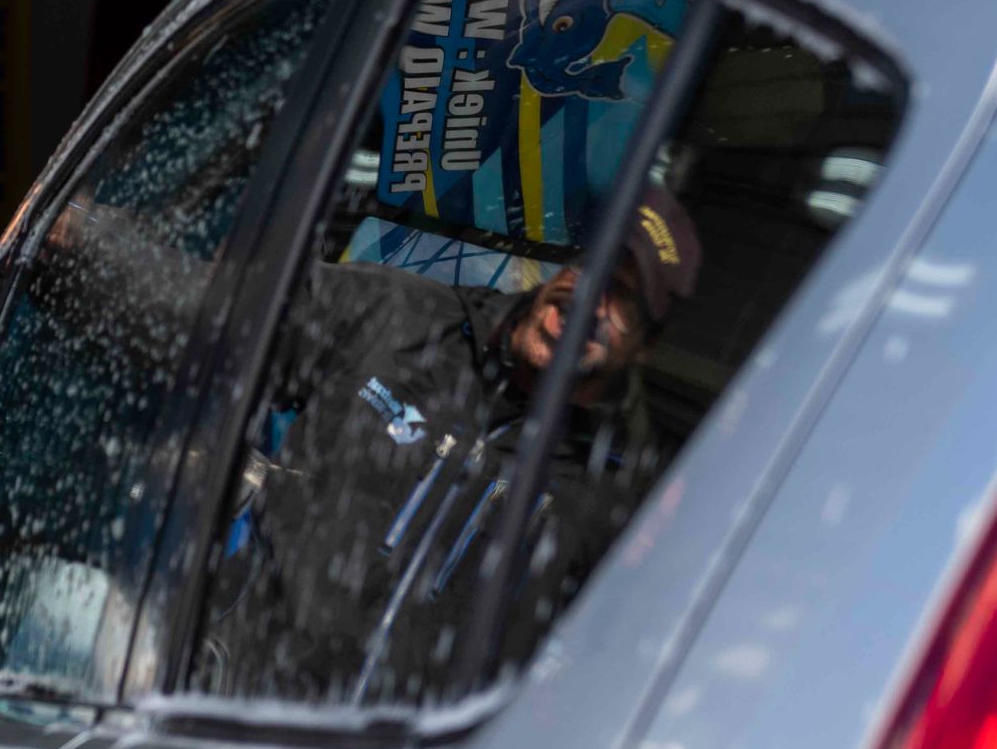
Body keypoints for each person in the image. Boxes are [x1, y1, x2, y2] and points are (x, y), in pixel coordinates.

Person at [199, 185, 701, 702]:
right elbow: (202, 306)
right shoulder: (399, 323)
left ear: (647, 346)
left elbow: (606, 680)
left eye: (620, 298)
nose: (587, 302)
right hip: (222, 702)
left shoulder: (622, 499)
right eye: (589, 266)